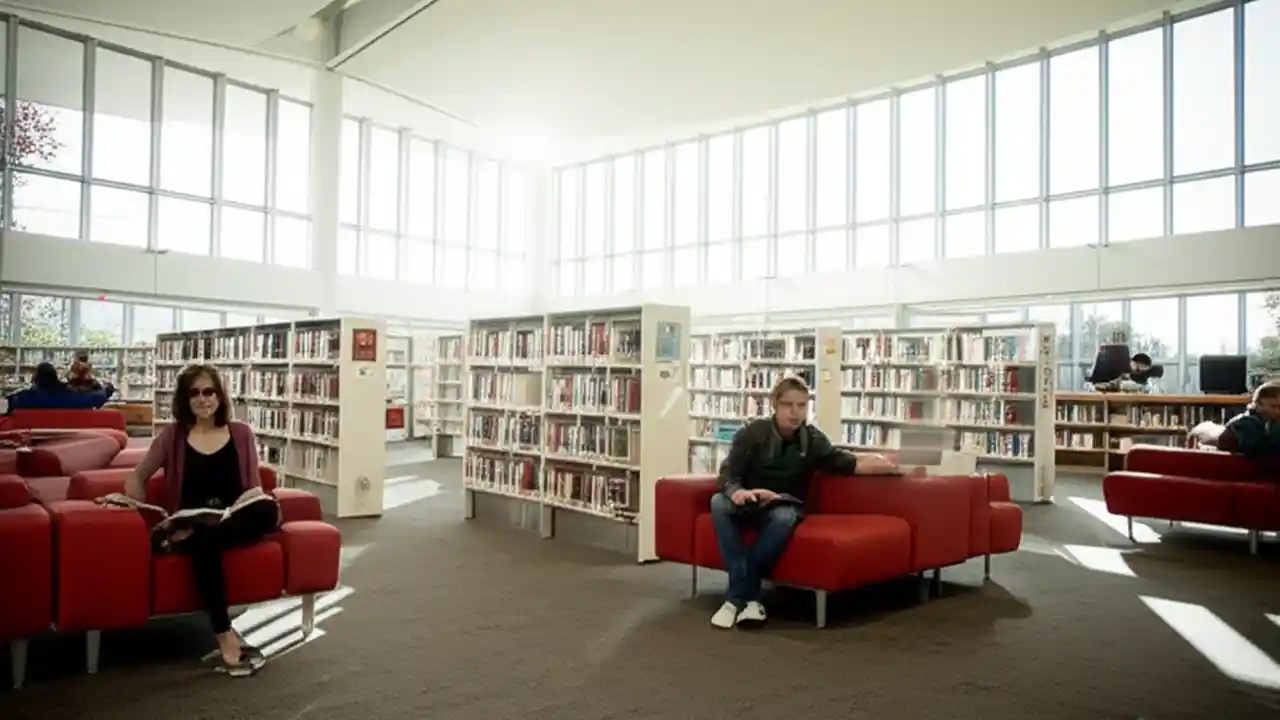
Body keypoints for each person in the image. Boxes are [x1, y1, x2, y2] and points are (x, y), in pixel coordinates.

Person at [709, 375, 901, 630]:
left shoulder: (811, 439)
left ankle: (736, 599)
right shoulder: (752, 433)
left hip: (783, 505)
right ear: (774, 405)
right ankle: (750, 598)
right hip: (748, 499)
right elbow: (728, 475)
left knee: (785, 518)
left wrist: (890, 465)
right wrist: (738, 492)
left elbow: (845, 463)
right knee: (717, 503)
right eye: (788, 405)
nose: (795, 412)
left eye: (802, 405)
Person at [127, 363, 281, 677]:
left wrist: (243, 505)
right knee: (203, 539)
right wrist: (133, 506)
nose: (202, 399)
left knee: (265, 509)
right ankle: (224, 634)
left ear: (219, 395)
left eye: (208, 391)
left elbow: (253, 488)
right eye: (194, 393)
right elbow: (138, 477)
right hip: (192, 522)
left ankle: (200, 538)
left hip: (233, 517)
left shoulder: (240, 433)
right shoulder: (173, 436)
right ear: (185, 399)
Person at [1186, 381, 1280, 457]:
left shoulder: (1268, 421)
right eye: (1275, 406)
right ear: (1258, 405)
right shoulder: (1248, 422)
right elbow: (1257, 449)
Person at [5, 362, 113, 412]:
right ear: (55, 377)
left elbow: (6, 405)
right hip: (71, 439)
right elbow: (100, 396)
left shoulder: (21, 398)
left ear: (35, 379)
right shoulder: (72, 396)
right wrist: (107, 387)